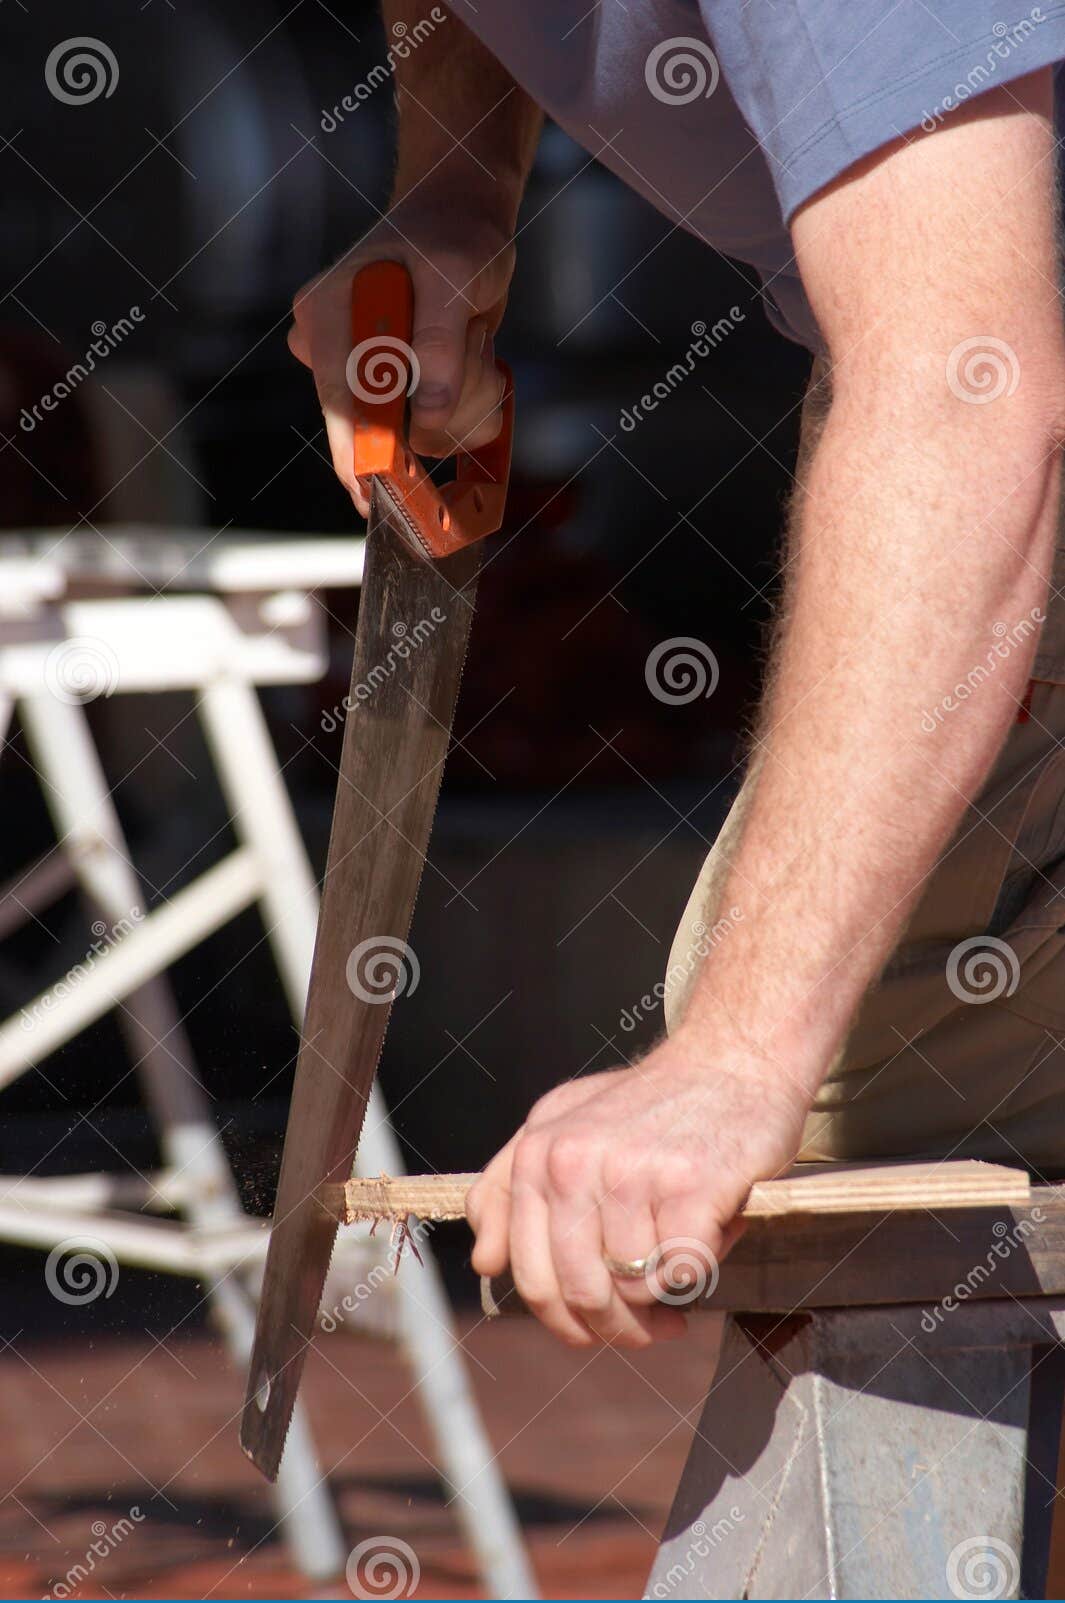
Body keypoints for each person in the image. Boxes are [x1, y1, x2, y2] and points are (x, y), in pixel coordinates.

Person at [290, 4, 1065, 1351]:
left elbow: (964, 389)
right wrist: (455, 189)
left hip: (985, 376)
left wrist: (731, 1063)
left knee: (858, 1137)